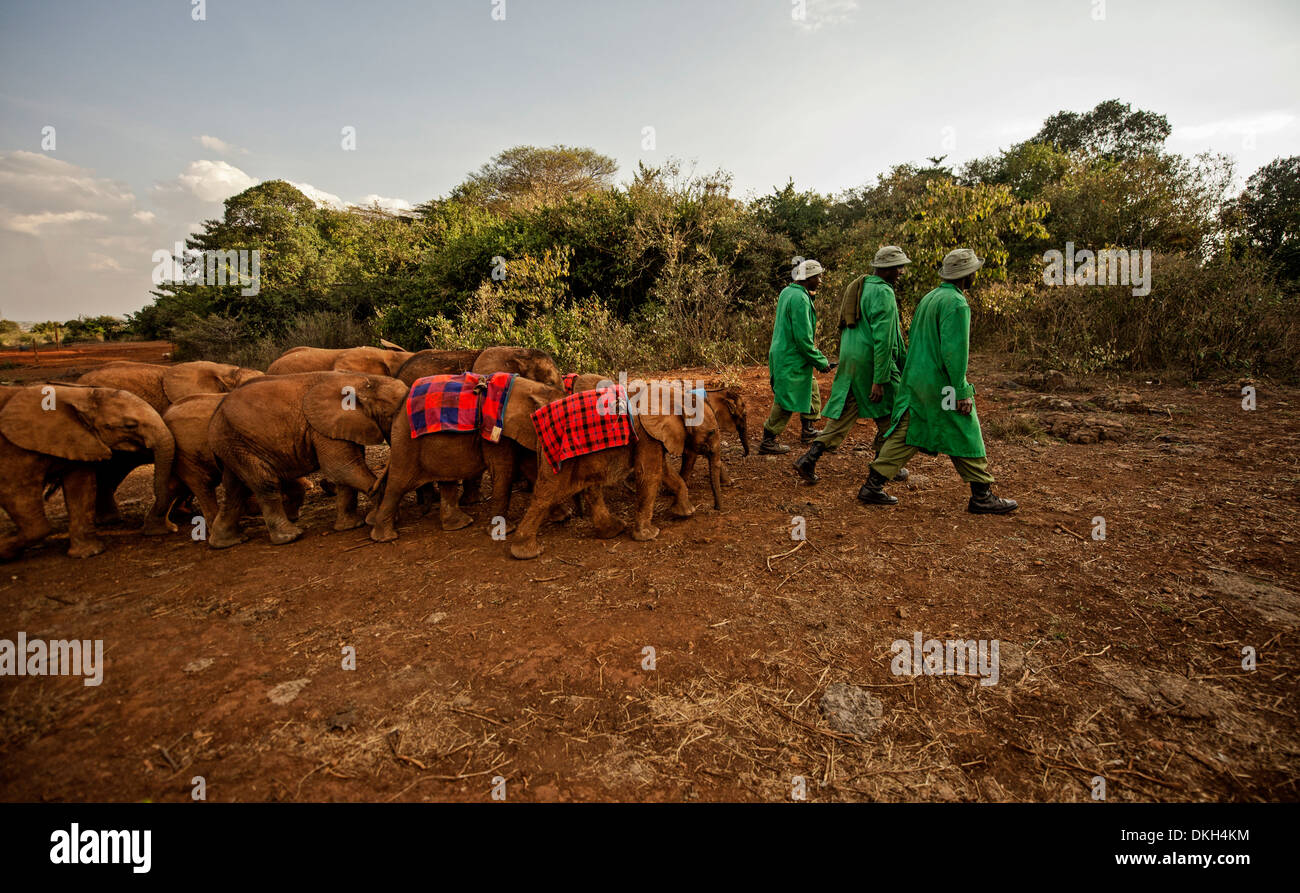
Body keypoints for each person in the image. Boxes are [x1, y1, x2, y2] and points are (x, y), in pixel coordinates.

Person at [857, 248, 1018, 514]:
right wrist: (961, 390)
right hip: (941, 384)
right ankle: (982, 495)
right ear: (967, 275)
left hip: (917, 380)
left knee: (910, 433)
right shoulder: (956, 303)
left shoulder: (930, 297)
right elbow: (954, 353)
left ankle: (873, 485)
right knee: (966, 431)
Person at [794, 245, 911, 484]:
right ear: (885, 268)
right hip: (871, 365)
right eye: (897, 267)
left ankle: (809, 459)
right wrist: (879, 379)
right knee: (897, 413)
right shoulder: (884, 293)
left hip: (851, 360)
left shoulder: (860, 285)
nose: (901, 271)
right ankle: (884, 464)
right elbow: (884, 340)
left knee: (845, 417)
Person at [760, 259, 834, 455]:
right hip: (791, 355)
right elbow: (803, 339)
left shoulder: (789, 292)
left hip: (784, 352)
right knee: (787, 398)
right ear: (808, 277)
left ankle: (808, 430)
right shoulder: (800, 299)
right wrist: (821, 361)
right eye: (817, 277)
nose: (820, 280)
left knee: (812, 388)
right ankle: (768, 439)